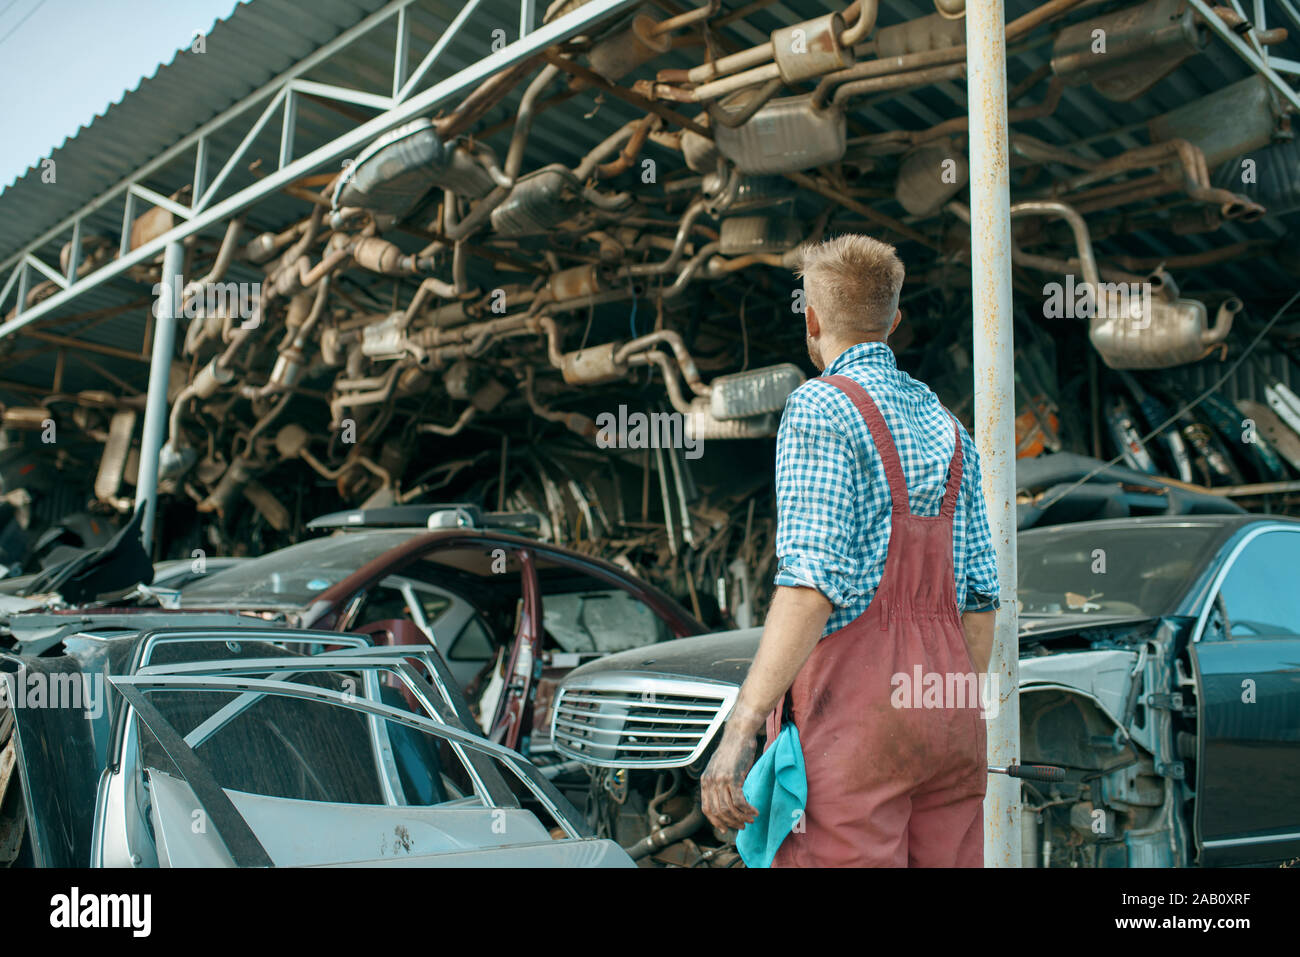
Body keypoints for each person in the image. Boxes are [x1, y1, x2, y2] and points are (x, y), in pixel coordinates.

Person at [700, 234, 1000, 867]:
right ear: (893, 322)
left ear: (810, 321)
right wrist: (958, 717)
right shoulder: (950, 428)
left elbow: (810, 586)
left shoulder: (820, 407)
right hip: (949, 713)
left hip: (859, 724)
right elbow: (979, 599)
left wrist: (742, 726)